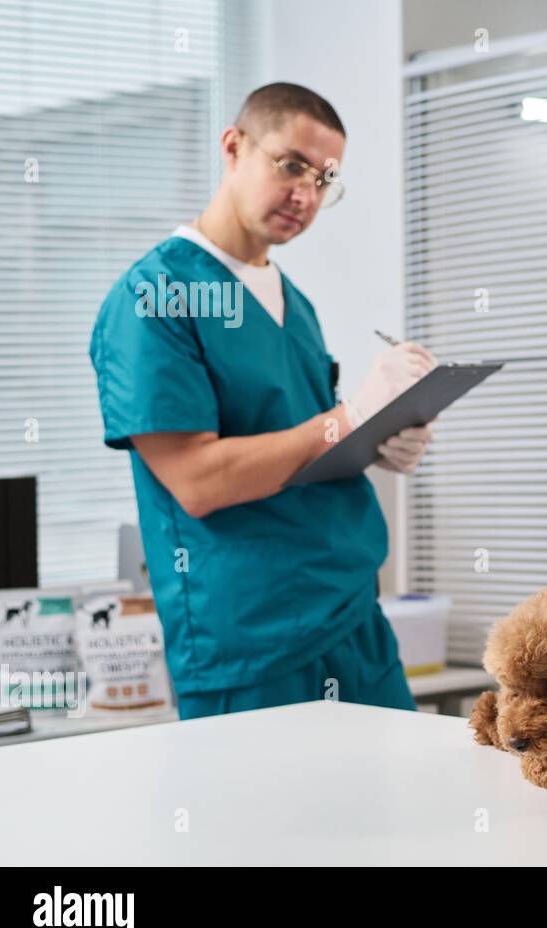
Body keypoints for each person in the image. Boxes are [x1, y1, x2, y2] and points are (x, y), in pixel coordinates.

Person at [90, 83, 431, 719]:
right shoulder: (156, 296)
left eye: (325, 178)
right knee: (264, 816)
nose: (306, 193)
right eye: (291, 164)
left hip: (354, 614)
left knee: (396, 810)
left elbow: (300, 445)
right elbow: (196, 480)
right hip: (249, 640)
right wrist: (348, 417)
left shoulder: (293, 304)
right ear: (233, 146)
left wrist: (375, 441)